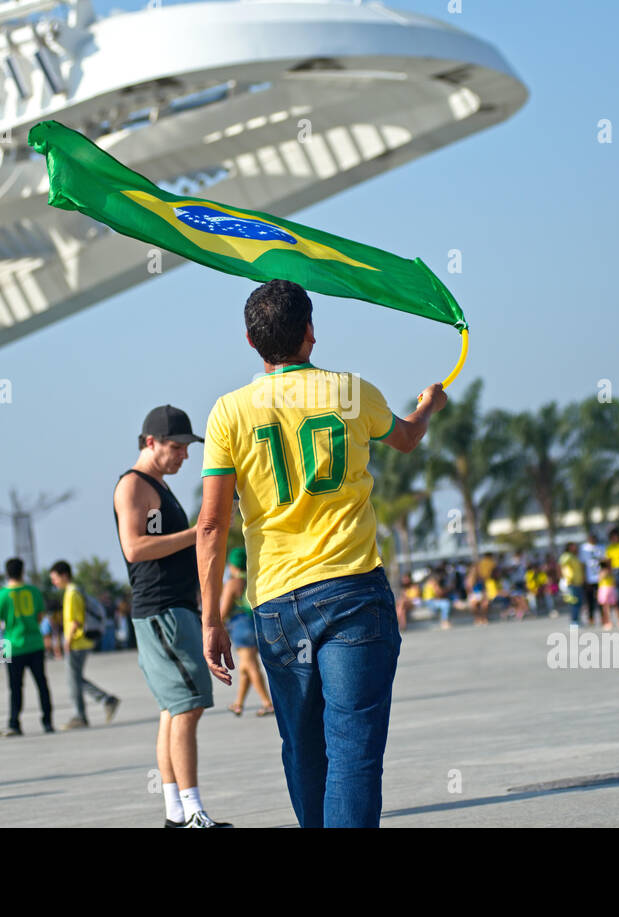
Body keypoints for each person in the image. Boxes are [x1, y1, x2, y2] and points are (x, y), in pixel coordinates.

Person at [197, 279, 445, 828]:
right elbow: (405, 438)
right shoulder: (351, 391)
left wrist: (211, 618)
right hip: (353, 588)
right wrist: (428, 406)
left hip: (277, 603)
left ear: (250, 341)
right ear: (311, 331)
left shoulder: (228, 413)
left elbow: (212, 525)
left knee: (303, 747)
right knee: (353, 750)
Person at [114, 404, 229, 828]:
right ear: (150, 443)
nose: (184, 454)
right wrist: (196, 533)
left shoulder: (156, 485)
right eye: (177, 446)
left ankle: (177, 813)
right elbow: (135, 547)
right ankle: (193, 809)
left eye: (187, 447)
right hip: (161, 610)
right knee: (188, 706)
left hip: (173, 608)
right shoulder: (133, 486)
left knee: (173, 709)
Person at [51, 560, 120, 729]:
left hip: (77, 642)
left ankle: (82, 715)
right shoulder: (74, 590)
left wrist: (66, 642)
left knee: (73, 680)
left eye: (55, 578)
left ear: (64, 575)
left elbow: (74, 621)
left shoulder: (72, 593)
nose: (54, 582)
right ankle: (103, 701)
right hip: (81, 641)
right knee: (75, 679)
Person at [0, 558, 54, 737]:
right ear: (22, 571)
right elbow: (40, 617)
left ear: (6, 573)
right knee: (42, 683)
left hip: (9, 644)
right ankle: (48, 722)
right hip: (35, 642)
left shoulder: (0, 595)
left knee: (14, 686)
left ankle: (14, 723)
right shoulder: (33, 591)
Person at [220, 547, 274, 716]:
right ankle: (238, 704)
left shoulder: (233, 583)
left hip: (240, 626)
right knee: (245, 667)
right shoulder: (253, 580)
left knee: (250, 666)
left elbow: (223, 612)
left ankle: (267, 703)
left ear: (232, 566)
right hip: (256, 625)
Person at [579, 532, 603, 625]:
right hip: (589, 578)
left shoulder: (601, 547)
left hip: (600, 578)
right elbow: (583, 564)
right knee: (589, 601)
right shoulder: (584, 548)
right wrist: (584, 578)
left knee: (601, 599)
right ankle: (591, 619)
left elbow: (604, 562)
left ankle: (603, 617)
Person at [559, 542, 585, 625]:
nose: (575, 547)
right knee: (574, 602)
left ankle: (578, 619)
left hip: (578, 583)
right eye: (573, 546)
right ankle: (574, 621)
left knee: (579, 602)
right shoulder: (566, 556)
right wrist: (564, 578)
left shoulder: (574, 556)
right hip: (571, 582)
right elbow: (561, 566)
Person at [596, 559, 619, 629]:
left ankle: (608, 622)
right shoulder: (611, 571)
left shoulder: (603, 571)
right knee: (615, 606)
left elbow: (599, 579)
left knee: (606, 607)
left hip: (605, 589)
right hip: (612, 588)